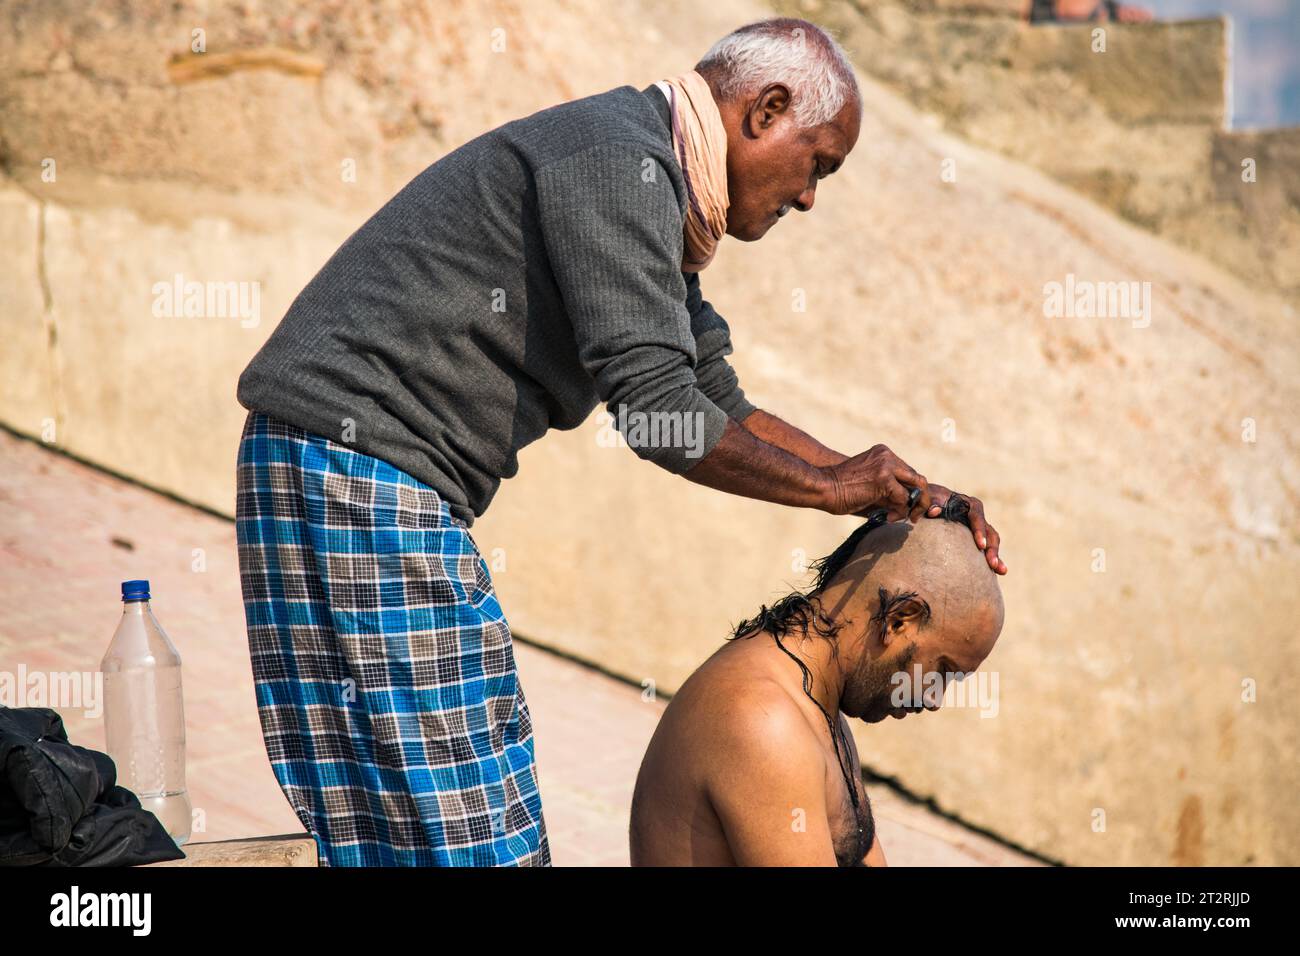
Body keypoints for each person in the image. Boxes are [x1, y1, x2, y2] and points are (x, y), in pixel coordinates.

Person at [234, 16, 1006, 867]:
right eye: (818, 162)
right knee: (466, 822)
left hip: (352, 467)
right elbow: (656, 410)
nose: (812, 195)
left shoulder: (649, 189)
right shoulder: (619, 161)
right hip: (357, 464)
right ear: (767, 109)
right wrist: (833, 489)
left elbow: (715, 400)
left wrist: (889, 484)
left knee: (408, 810)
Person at [630, 512, 1005, 866]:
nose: (935, 699)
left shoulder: (816, 702)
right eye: (942, 671)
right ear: (898, 620)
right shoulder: (763, 720)